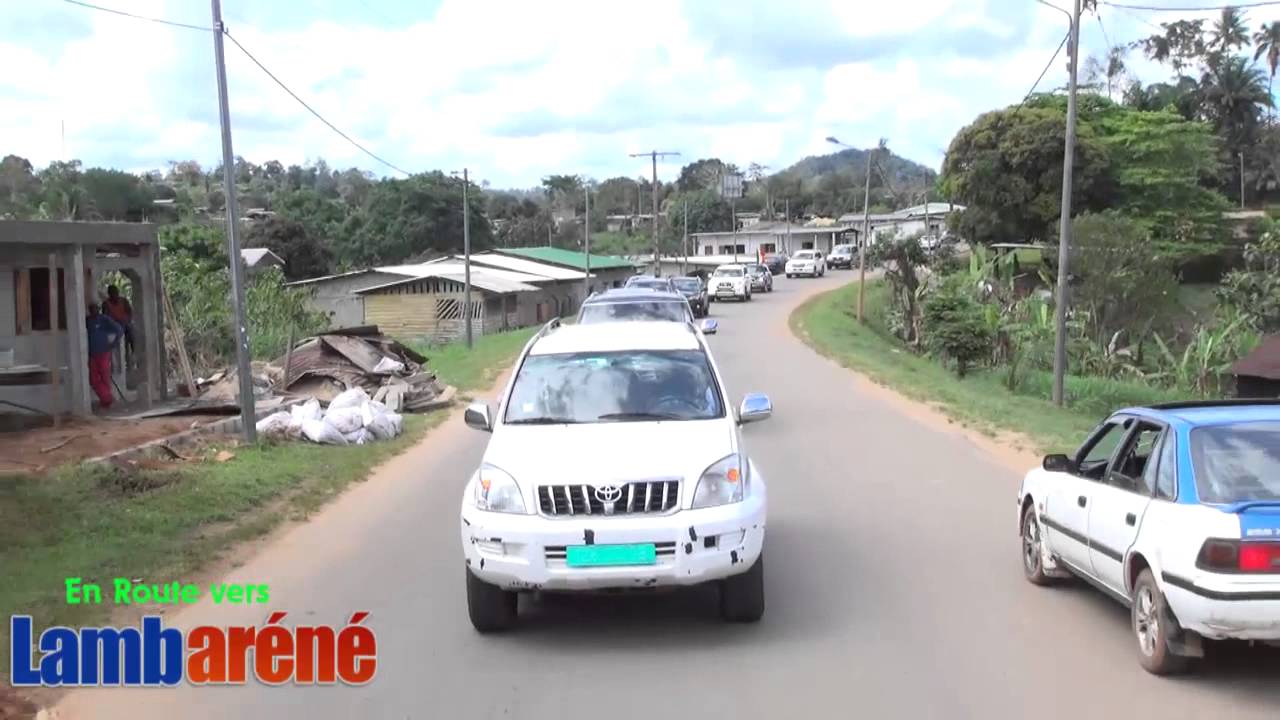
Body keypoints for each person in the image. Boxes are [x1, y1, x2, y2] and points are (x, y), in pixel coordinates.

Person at [86, 304, 123, 410]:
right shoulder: (88, 321)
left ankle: (106, 402)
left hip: (103, 353)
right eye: (91, 309)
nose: (94, 311)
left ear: (98, 309)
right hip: (92, 354)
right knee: (93, 380)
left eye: (96, 309)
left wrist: (114, 344)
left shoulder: (104, 319)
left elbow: (119, 330)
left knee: (105, 378)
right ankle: (108, 398)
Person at [101, 285, 133, 355]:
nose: (114, 295)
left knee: (132, 331)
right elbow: (106, 317)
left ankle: (133, 352)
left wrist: (127, 320)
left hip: (124, 322)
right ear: (109, 294)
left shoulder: (123, 301)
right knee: (116, 332)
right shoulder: (106, 304)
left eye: (115, 293)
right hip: (114, 324)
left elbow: (130, 312)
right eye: (112, 293)